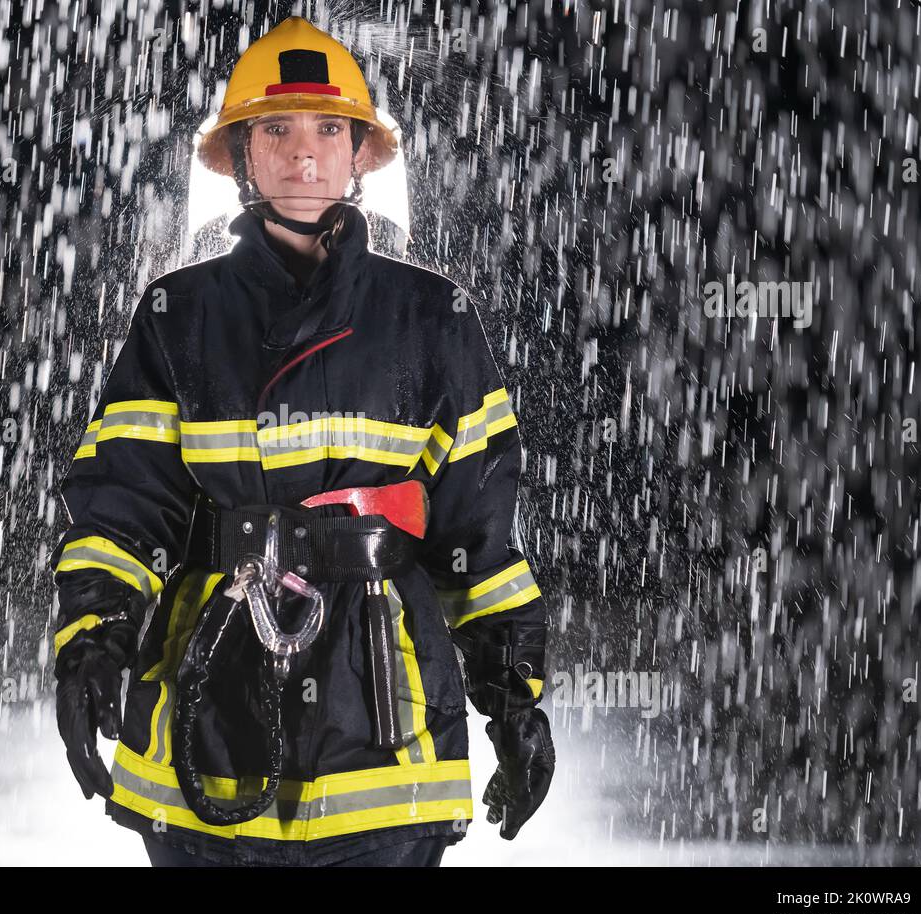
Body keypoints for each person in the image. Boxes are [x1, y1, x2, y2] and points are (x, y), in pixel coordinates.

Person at [51, 16, 554, 868]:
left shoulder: (434, 319)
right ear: (241, 155)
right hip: (209, 703)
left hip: (385, 722)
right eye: (275, 130)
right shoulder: (177, 318)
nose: (302, 153)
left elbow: (478, 541)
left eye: (328, 129)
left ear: (361, 152)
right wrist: (92, 640)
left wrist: (514, 701)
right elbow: (123, 506)